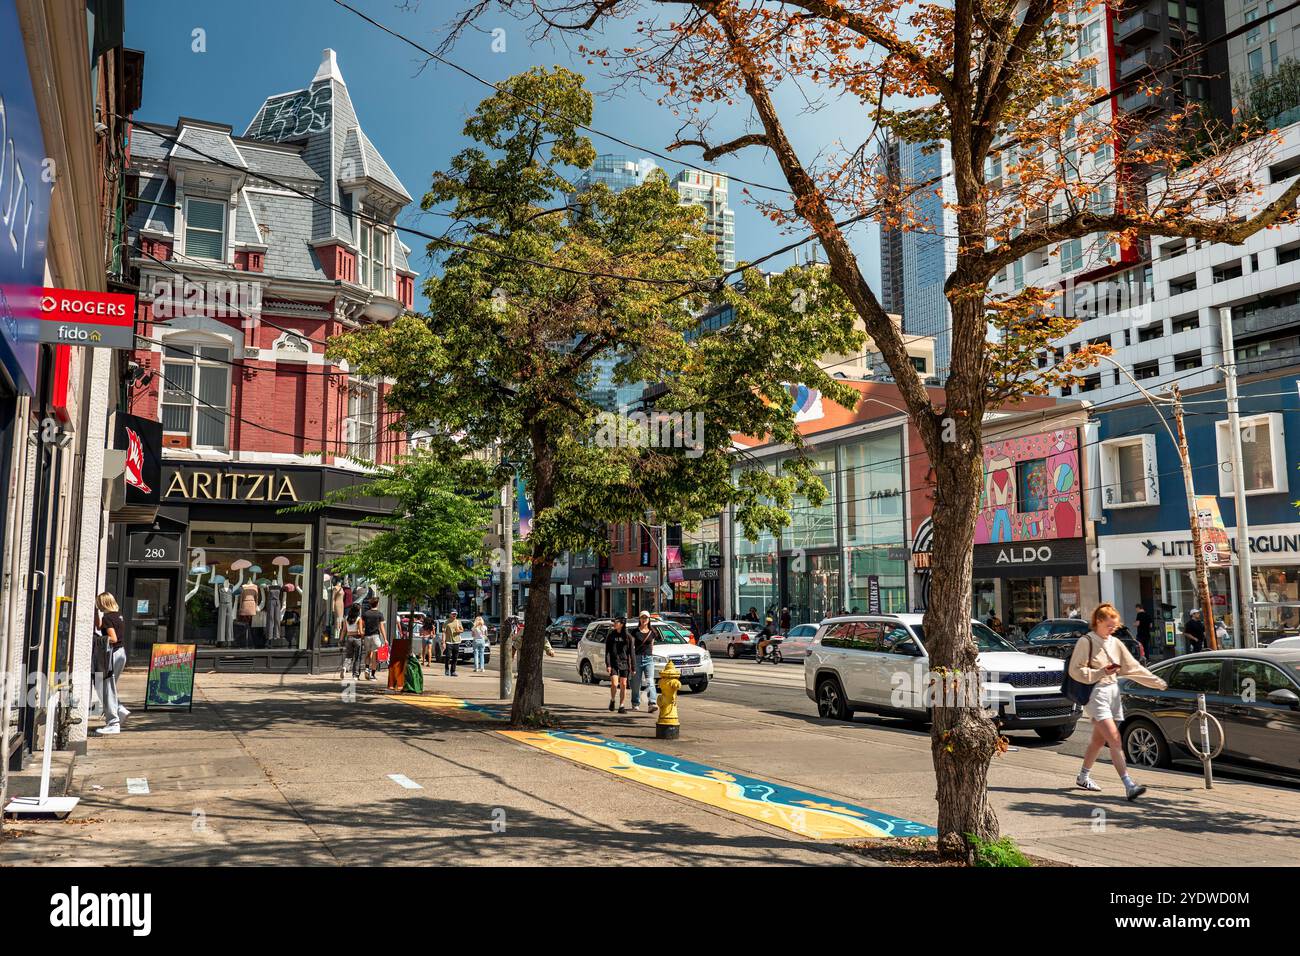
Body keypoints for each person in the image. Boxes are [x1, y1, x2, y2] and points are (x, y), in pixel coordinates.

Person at [1069, 603, 1168, 800]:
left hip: (1113, 692)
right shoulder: (1086, 641)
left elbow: (1132, 667)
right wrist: (1100, 671)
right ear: (1098, 622)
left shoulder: (1115, 642)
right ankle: (1128, 784)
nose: (1113, 629)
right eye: (1109, 625)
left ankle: (1083, 776)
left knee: (1099, 740)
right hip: (1095, 693)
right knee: (1114, 738)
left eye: (1115, 626)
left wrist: (1157, 682)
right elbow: (1075, 670)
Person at [95, 592, 129, 735]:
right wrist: (95, 613)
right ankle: (120, 709)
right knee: (108, 686)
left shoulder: (108, 618)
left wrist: (99, 640)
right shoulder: (118, 616)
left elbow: (113, 638)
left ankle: (113, 722)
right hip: (121, 653)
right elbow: (99, 626)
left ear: (102, 603)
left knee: (105, 687)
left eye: (98, 603)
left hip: (112, 654)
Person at [630, 610, 658, 714]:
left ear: (649, 619)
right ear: (640, 619)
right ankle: (635, 703)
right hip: (636, 658)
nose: (644, 619)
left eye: (646, 617)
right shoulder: (635, 632)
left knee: (650, 681)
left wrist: (650, 655)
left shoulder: (652, 632)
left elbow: (651, 646)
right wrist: (631, 661)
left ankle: (652, 703)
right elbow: (631, 647)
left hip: (648, 659)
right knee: (636, 683)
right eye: (642, 617)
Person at [605, 617, 634, 714]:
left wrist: (633, 666)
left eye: (616, 622)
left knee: (624, 684)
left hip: (624, 663)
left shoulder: (628, 637)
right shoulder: (611, 635)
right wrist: (608, 664)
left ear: (621, 624)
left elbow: (631, 653)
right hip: (613, 662)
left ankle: (621, 706)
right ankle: (612, 700)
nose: (614, 623)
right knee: (614, 683)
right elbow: (607, 651)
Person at [361, 596, 386, 681]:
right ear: (377, 604)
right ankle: (372, 675)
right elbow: (382, 627)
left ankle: (367, 668)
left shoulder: (366, 614)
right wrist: (385, 638)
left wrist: (362, 633)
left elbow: (362, 624)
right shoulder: (379, 614)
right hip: (375, 636)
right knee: (375, 656)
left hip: (367, 636)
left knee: (368, 654)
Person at [343, 604, 365, 679]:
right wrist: (364, 636)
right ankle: (355, 675)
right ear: (358, 611)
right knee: (357, 657)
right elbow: (361, 632)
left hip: (349, 638)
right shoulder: (359, 619)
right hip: (357, 639)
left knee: (348, 656)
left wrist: (341, 639)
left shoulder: (346, 618)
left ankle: (345, 668)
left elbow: (344, 630)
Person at [443, 611, 464, 676]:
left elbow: (462, 630)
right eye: (453, 614)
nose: (454, 615)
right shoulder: (446, 622)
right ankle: (446, 669)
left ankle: (453, 671)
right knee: (448, 656)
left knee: (455, 657)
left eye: (455, 614)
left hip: (456, 641)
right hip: (449, 641)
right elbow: (444, 632)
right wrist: (443, 642)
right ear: (450, 614)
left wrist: (459, 631)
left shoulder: (458, 621)